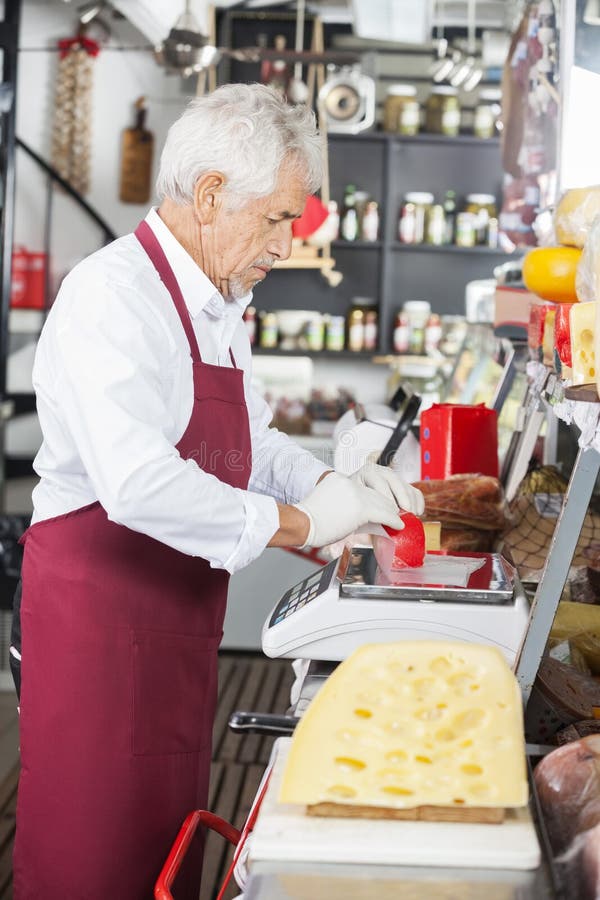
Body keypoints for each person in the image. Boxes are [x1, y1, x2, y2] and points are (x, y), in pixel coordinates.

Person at [12, 83, 423, 899]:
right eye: (276, 219)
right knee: (93, 864)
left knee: (166, 850)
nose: (286, 243)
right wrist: (304, 520)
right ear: (209, 196)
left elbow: (252, 442)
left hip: (174, 628)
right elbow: (137, 481)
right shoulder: (115, 297)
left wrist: (338, 486)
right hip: (101, 633)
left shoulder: (217, 302)